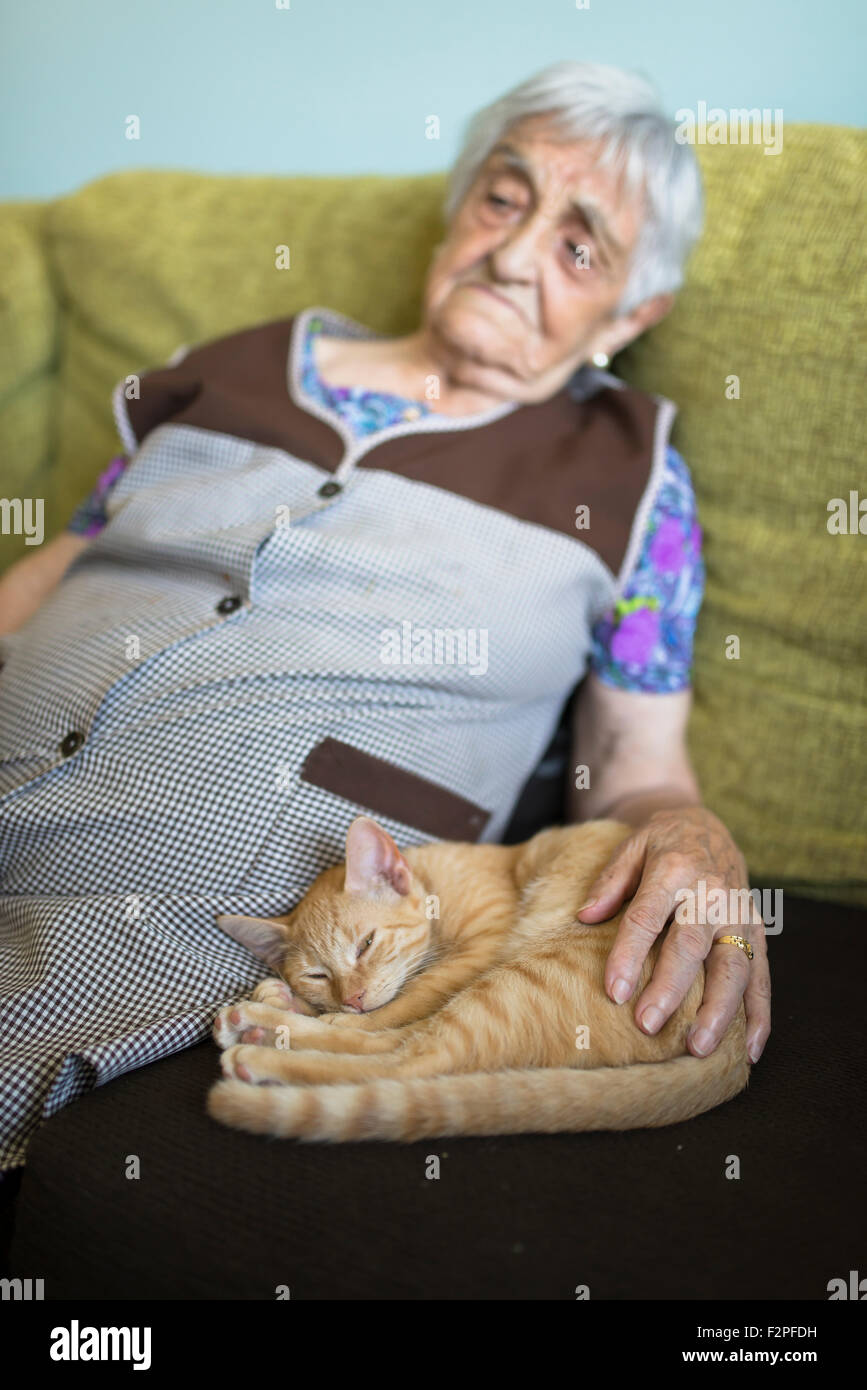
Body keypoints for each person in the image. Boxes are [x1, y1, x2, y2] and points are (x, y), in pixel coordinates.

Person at [0, 61, 770, 1169]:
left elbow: (639, 770)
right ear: (459, 204)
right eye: (503, 197)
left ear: (632, 312)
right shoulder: (238, 363)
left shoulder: (636, 487)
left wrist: (697, 845)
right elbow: (58, 566)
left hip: (190, 914)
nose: (512, 251)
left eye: (578, 244)